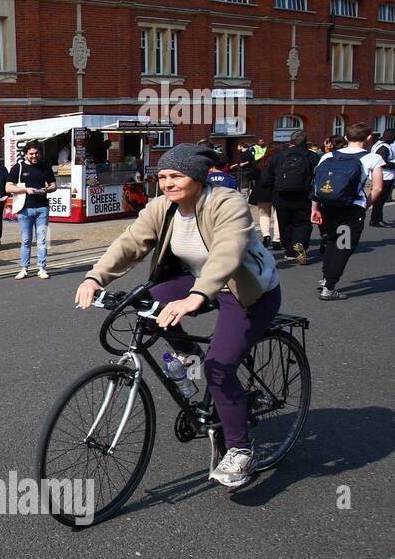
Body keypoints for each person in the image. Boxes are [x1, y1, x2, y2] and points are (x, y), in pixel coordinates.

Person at [76, 144, 281, 489]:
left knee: (219, 369)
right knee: (148, 301)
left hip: (244, 289)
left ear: (198, 177)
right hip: (199, 279)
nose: (167, 183)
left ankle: (241, 451)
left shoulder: (226, 202)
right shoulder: (162, 207)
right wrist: (95, 276)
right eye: (163, 176)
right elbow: (130, 243)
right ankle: (188, 356)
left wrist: (198, 296)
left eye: (176, 176)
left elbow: (228, 251)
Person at [311, 122, 387, 300]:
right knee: (343, 246)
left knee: (331, 241)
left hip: (327, 205)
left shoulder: (327, 156)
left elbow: (316, 185)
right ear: (369, 138)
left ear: (346, 137)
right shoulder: (372, 158)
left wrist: (315, 208)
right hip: (351, 209)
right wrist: (365, 205)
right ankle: (329, 288)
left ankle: (325, 278)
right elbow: (377, 188)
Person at [260, 130, 318, 266]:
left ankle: (289, 251)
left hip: (281, 195)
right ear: (305, 142)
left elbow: (265, 178)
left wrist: (271, 188)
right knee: (302, 222)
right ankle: (301, 243)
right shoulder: (312, 156)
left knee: (285, 223)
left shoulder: (278, 156)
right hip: (304, 196)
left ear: (290, 141)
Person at [6, 143, 56, 279]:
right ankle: (24, 268)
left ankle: (42, 268)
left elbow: (53, 185)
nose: (34, 156)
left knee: (42, 240)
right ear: (26, 154)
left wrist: (46, 189)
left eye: (36, 153)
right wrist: (25, 190)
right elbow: (8, 187)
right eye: (31, 154)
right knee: (26, 240)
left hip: (42, 208)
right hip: (24, 209)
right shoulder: (18, 167)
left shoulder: (44, 166)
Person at [246, 142, 280, 249]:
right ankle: (277, 239)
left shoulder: (260, 162)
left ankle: (266, 236)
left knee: (264, 215)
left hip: (262, 191)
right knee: (278, 216)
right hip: (277, 191)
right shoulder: (281, 162)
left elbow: (250, 176)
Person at [369, 129, 393, 227]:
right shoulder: (384, 147)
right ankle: (376, 220)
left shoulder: (378, 144)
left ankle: (376, 219)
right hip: (384, 177)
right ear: (392, 136)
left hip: (382, 176)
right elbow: (382, 163)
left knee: (380, 199)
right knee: (380, 199)